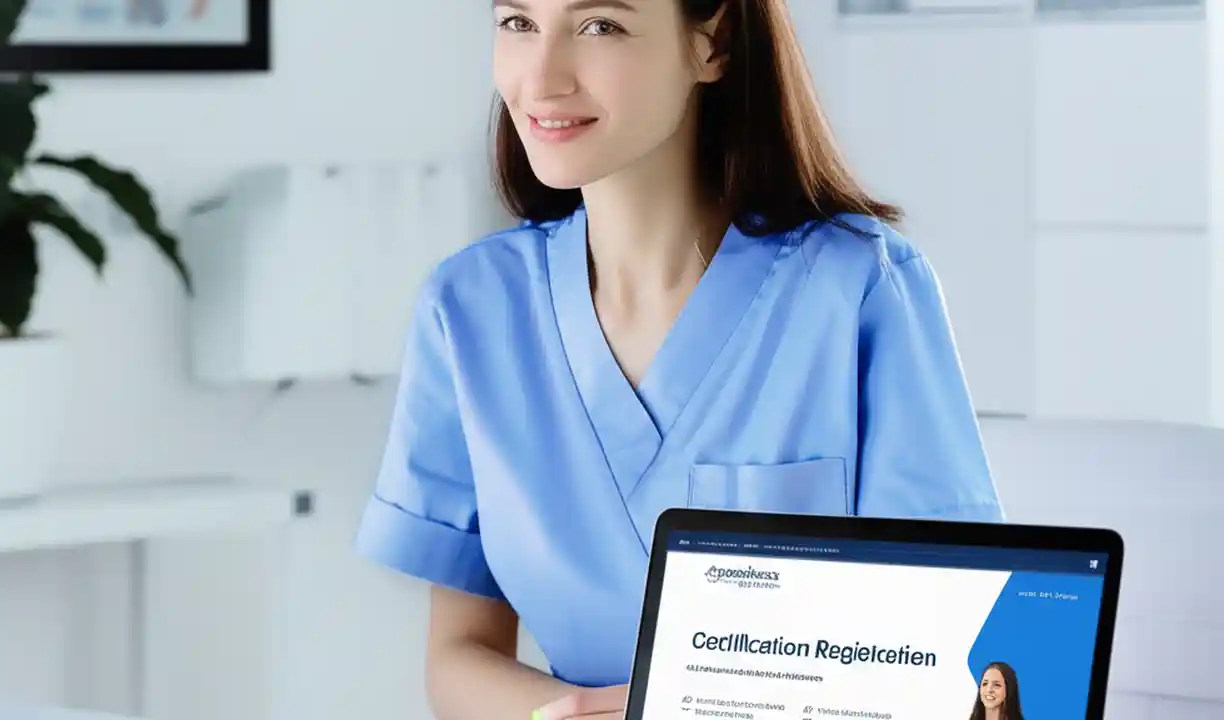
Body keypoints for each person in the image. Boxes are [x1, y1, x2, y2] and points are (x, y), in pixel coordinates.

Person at [354, 1, 1005, 719]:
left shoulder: (858, 290)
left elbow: (951, 642)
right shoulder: (469, 307)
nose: (542, 79)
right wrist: (570, 714)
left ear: (713, 43)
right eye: (517, 24)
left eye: (600, 25)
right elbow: (458, 656)